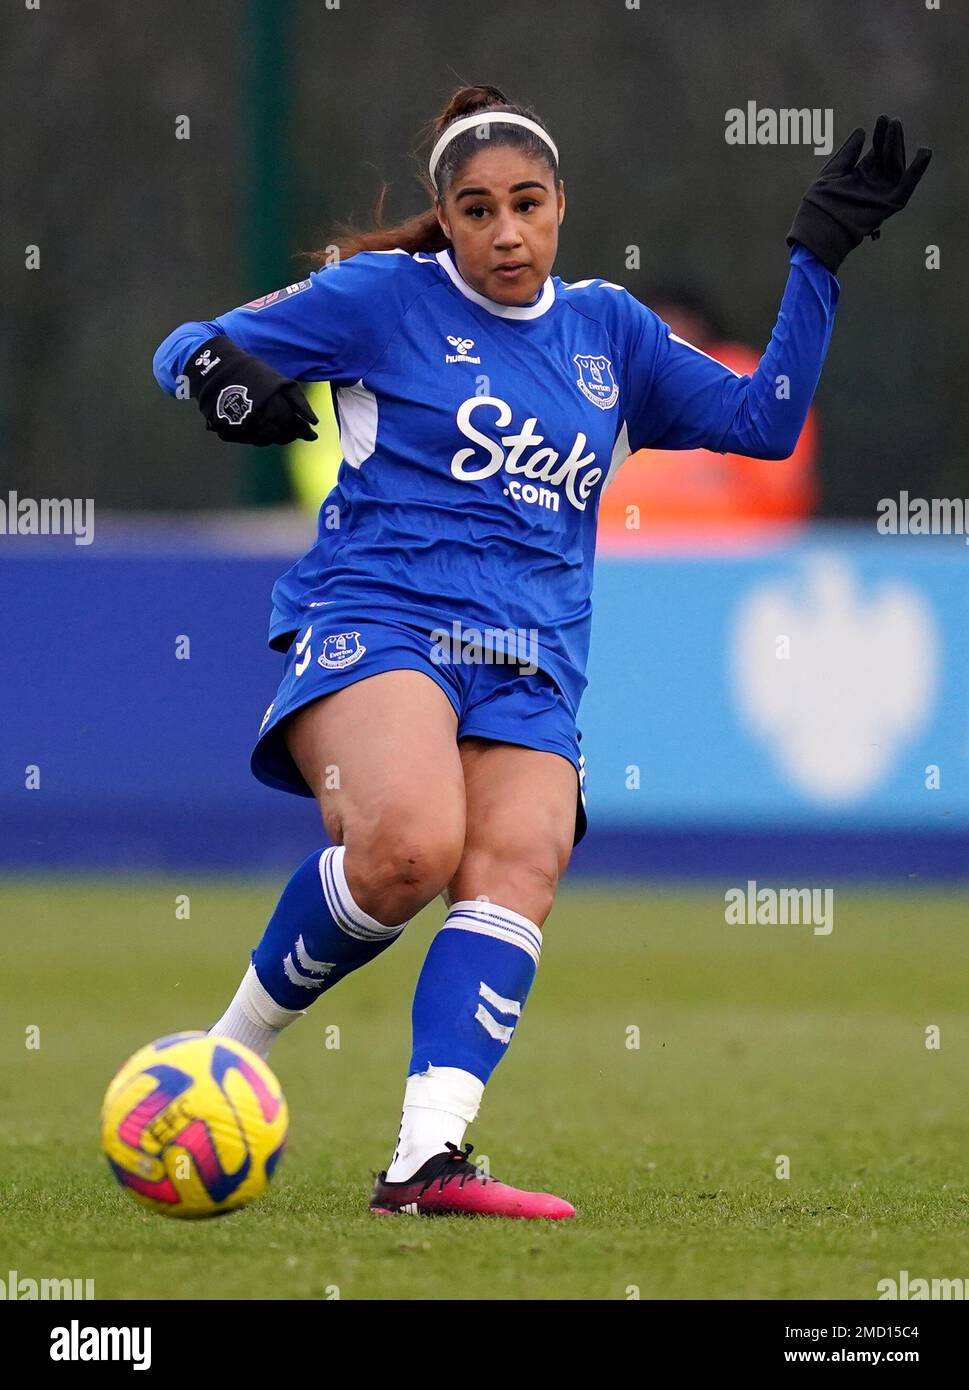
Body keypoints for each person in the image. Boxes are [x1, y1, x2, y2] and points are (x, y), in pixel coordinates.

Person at [153, 87, 929, 1219]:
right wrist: (223, 382)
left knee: (517, 863)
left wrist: (816, 259)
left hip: (530, 658)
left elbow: (764, 423)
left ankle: (428, 1159)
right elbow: (185, 345)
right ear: (445, 218)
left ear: (563, 205)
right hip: (385, 618)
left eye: (527, 204)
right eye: (478, 211)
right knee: (409, 852)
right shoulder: (384, 298)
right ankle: (224, 1057)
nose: (506, 231)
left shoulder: (609, 330)